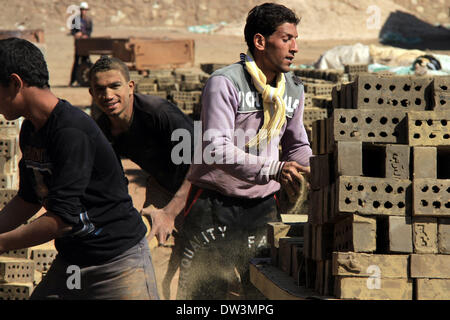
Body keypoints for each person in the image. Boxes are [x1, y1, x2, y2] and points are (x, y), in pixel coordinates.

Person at [0, 37, 158, 300]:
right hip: (72, 263)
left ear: (16, 83)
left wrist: (2, 242)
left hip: (117, 264)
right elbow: (27, 199)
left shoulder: (71, 131)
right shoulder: (31, 130)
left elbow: (60, 220)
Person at [177, 2, 312, 300]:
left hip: (263, 205)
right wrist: (275, 168)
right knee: (203, 293)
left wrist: (317, 169)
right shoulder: (225, 83)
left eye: (296, 39)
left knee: (260, 291)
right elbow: (216, 149)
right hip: (213, 205)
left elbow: (296, 144)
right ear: (260, 42)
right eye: (287, 38)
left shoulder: (294, 88)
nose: (295, 48)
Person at [88, 56, 194, 299]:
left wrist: (170, 212)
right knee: (150, 251)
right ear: (91, 92)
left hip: (202, 187)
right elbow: (113, 182)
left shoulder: (159, 114)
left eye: (115, 86)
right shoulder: (103, 129)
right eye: (100, 89)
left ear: (130, 87)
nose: (108, 95)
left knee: (196, 259)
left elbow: (205, 164)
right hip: (161, 184)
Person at [69, 2, 93, 87]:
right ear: (80, 10)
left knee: (85, 61)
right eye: (82, 9)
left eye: (85, 10)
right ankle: (72, 81)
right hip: (79, 44)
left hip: (86, 44)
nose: (83, 11)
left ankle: (82, 81)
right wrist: (76, 34)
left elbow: (90, 31)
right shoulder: (75, 20)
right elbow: (72, 31)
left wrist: (86, 35)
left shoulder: (89, 20)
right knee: (76, 62)